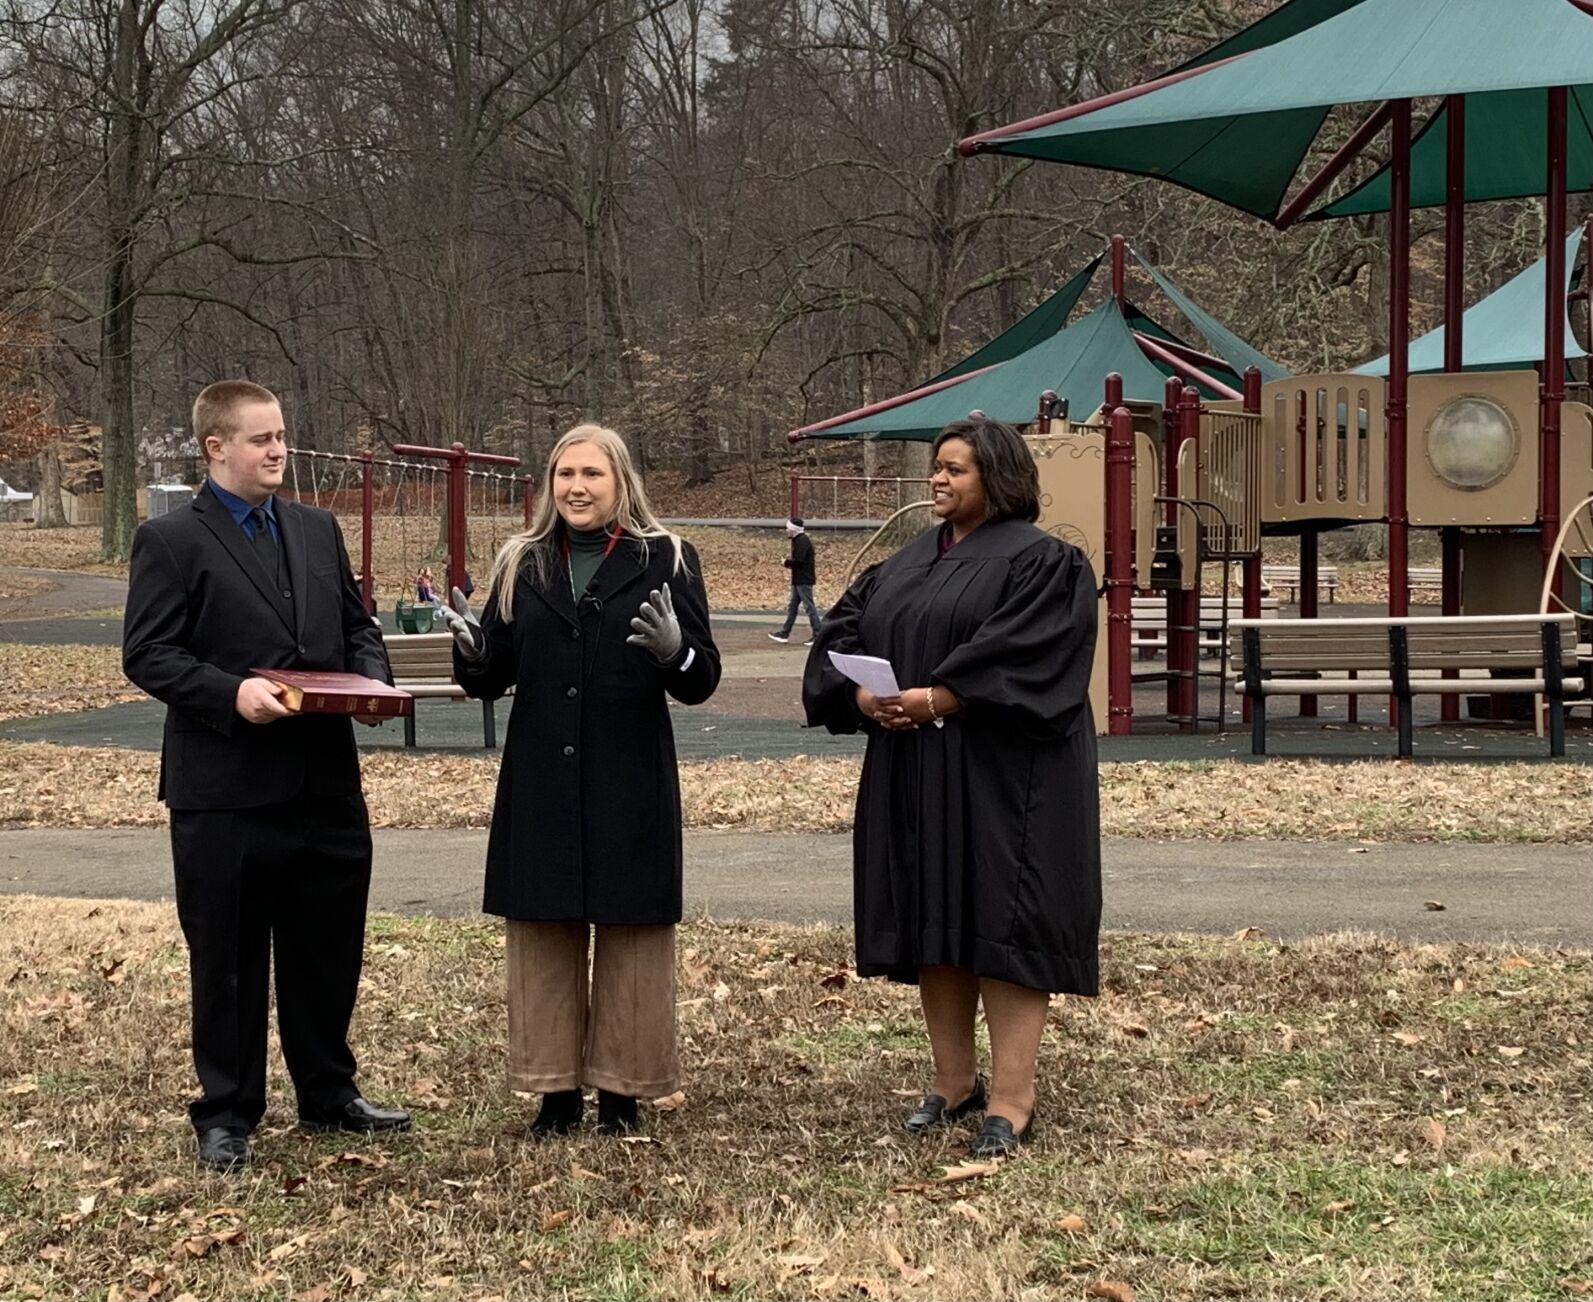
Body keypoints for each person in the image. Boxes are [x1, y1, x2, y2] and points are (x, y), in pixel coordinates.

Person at [122, 379, 410, 1173]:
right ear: (217, 447)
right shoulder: (172, 540)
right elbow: (148, 653)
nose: (278, 449)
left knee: (327, 946)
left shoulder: (318, 531)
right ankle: (226, 1112)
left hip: (324, 782)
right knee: (231, 956)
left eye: (281, 435)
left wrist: (372, 683)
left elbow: (358, 629)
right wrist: (230, 694)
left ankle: (328, 1092)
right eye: (261, 439)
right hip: (225, 792)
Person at [801, 417, 1101, 1158]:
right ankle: (951, 1082)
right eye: (936, 468)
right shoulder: (902, 564)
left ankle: (1011, 1097)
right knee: (935, 915)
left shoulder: (1045, 563)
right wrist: (865, 700)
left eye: (957, 469)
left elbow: (1031, 654)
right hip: (912, 765)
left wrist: (943, 696)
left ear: (998, 476)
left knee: (1003, 922)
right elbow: (840, 636)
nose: (939, 480)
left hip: (1007, 776)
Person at [438, 422, 720, 1138]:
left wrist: (675, 651)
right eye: (564, 474)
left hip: (629, 778)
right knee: (543, 932)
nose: (576, 487)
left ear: (620, 482)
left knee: (629, 931)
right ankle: (554, 1093)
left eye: (591, 474)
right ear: (548, 485)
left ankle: (621, 1093)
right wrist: (471, 652)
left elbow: (701, 681)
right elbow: (491, 674)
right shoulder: (522, 563)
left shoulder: (668, 559)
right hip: (540, 778)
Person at [768, 516, 821, 645]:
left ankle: (818, 634)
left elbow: (799, 561)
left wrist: (786, 562)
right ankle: (785, 633)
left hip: (803, 579)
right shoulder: (799, 540)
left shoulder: (802, 541)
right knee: (793, 606)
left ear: (793, 529)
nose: (786, 530)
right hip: (799, 579)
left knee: (809, 607)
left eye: (788, 528)